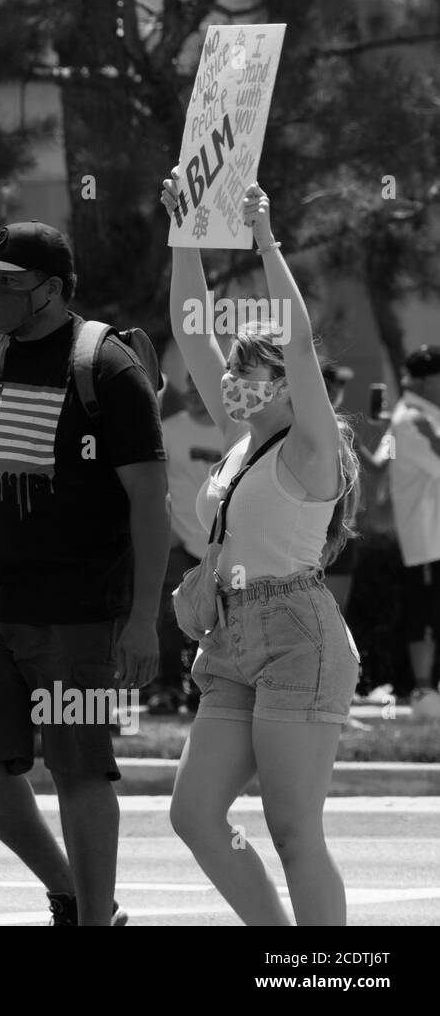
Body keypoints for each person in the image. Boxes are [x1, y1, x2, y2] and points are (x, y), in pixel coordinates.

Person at [0, 220, 169, 926]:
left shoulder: (106, 370)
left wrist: (143, 618)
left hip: (77, 617)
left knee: (78, 768)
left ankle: (92, 921)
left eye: (7, 284)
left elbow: (151, 500)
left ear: (52, 290)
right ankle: (74, 893)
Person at [160, 173, 363, 925]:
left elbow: (302, 340)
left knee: (293, 830)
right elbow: (189, 328)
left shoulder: (310, 448)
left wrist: (265, 239)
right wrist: (185, 230)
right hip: (234, 635)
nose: (234, 379)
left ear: (287, 384)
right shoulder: (245, 437)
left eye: (252, 371)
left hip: (296, 635)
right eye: (236, 370)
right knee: (195, 813)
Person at [368, 346, 440, 715]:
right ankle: (425, 692)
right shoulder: (414, 419)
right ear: (427, 380)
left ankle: (424, 690)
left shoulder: (415, 417)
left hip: (430, 537)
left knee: (425, 614)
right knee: (425, 616)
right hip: (430, 540)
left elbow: (381, 464)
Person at [152, 377, 225, 714]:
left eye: (202, 391)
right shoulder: (167, 430)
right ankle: (166, 688)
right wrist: (166, 529)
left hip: (222, 542)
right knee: (169, 618)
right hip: (178, 538)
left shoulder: (235, 431)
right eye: (190, 392)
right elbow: (153, 485)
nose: (196, 398)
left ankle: (206, 688)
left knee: (217, 621)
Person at [320, 362, 358, 612]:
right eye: (332, 385)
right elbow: (380, 464)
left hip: (339, 528)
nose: (336, 391)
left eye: (340, 386)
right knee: (330, 613)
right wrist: (392, 439)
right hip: (330, 529)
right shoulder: (340, 428)